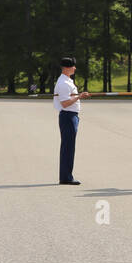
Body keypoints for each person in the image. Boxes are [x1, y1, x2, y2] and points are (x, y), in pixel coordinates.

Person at [54, 56, 90, 185]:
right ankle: (66, 177)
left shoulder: (67, 80)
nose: (75, 68)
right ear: (67, 68)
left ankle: (66, 175)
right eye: (73, 66)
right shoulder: (63, 83)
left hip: (71, 116)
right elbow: (64, 103)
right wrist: (79, 96)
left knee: (69, 147)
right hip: (68, 116)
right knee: (68, 148)